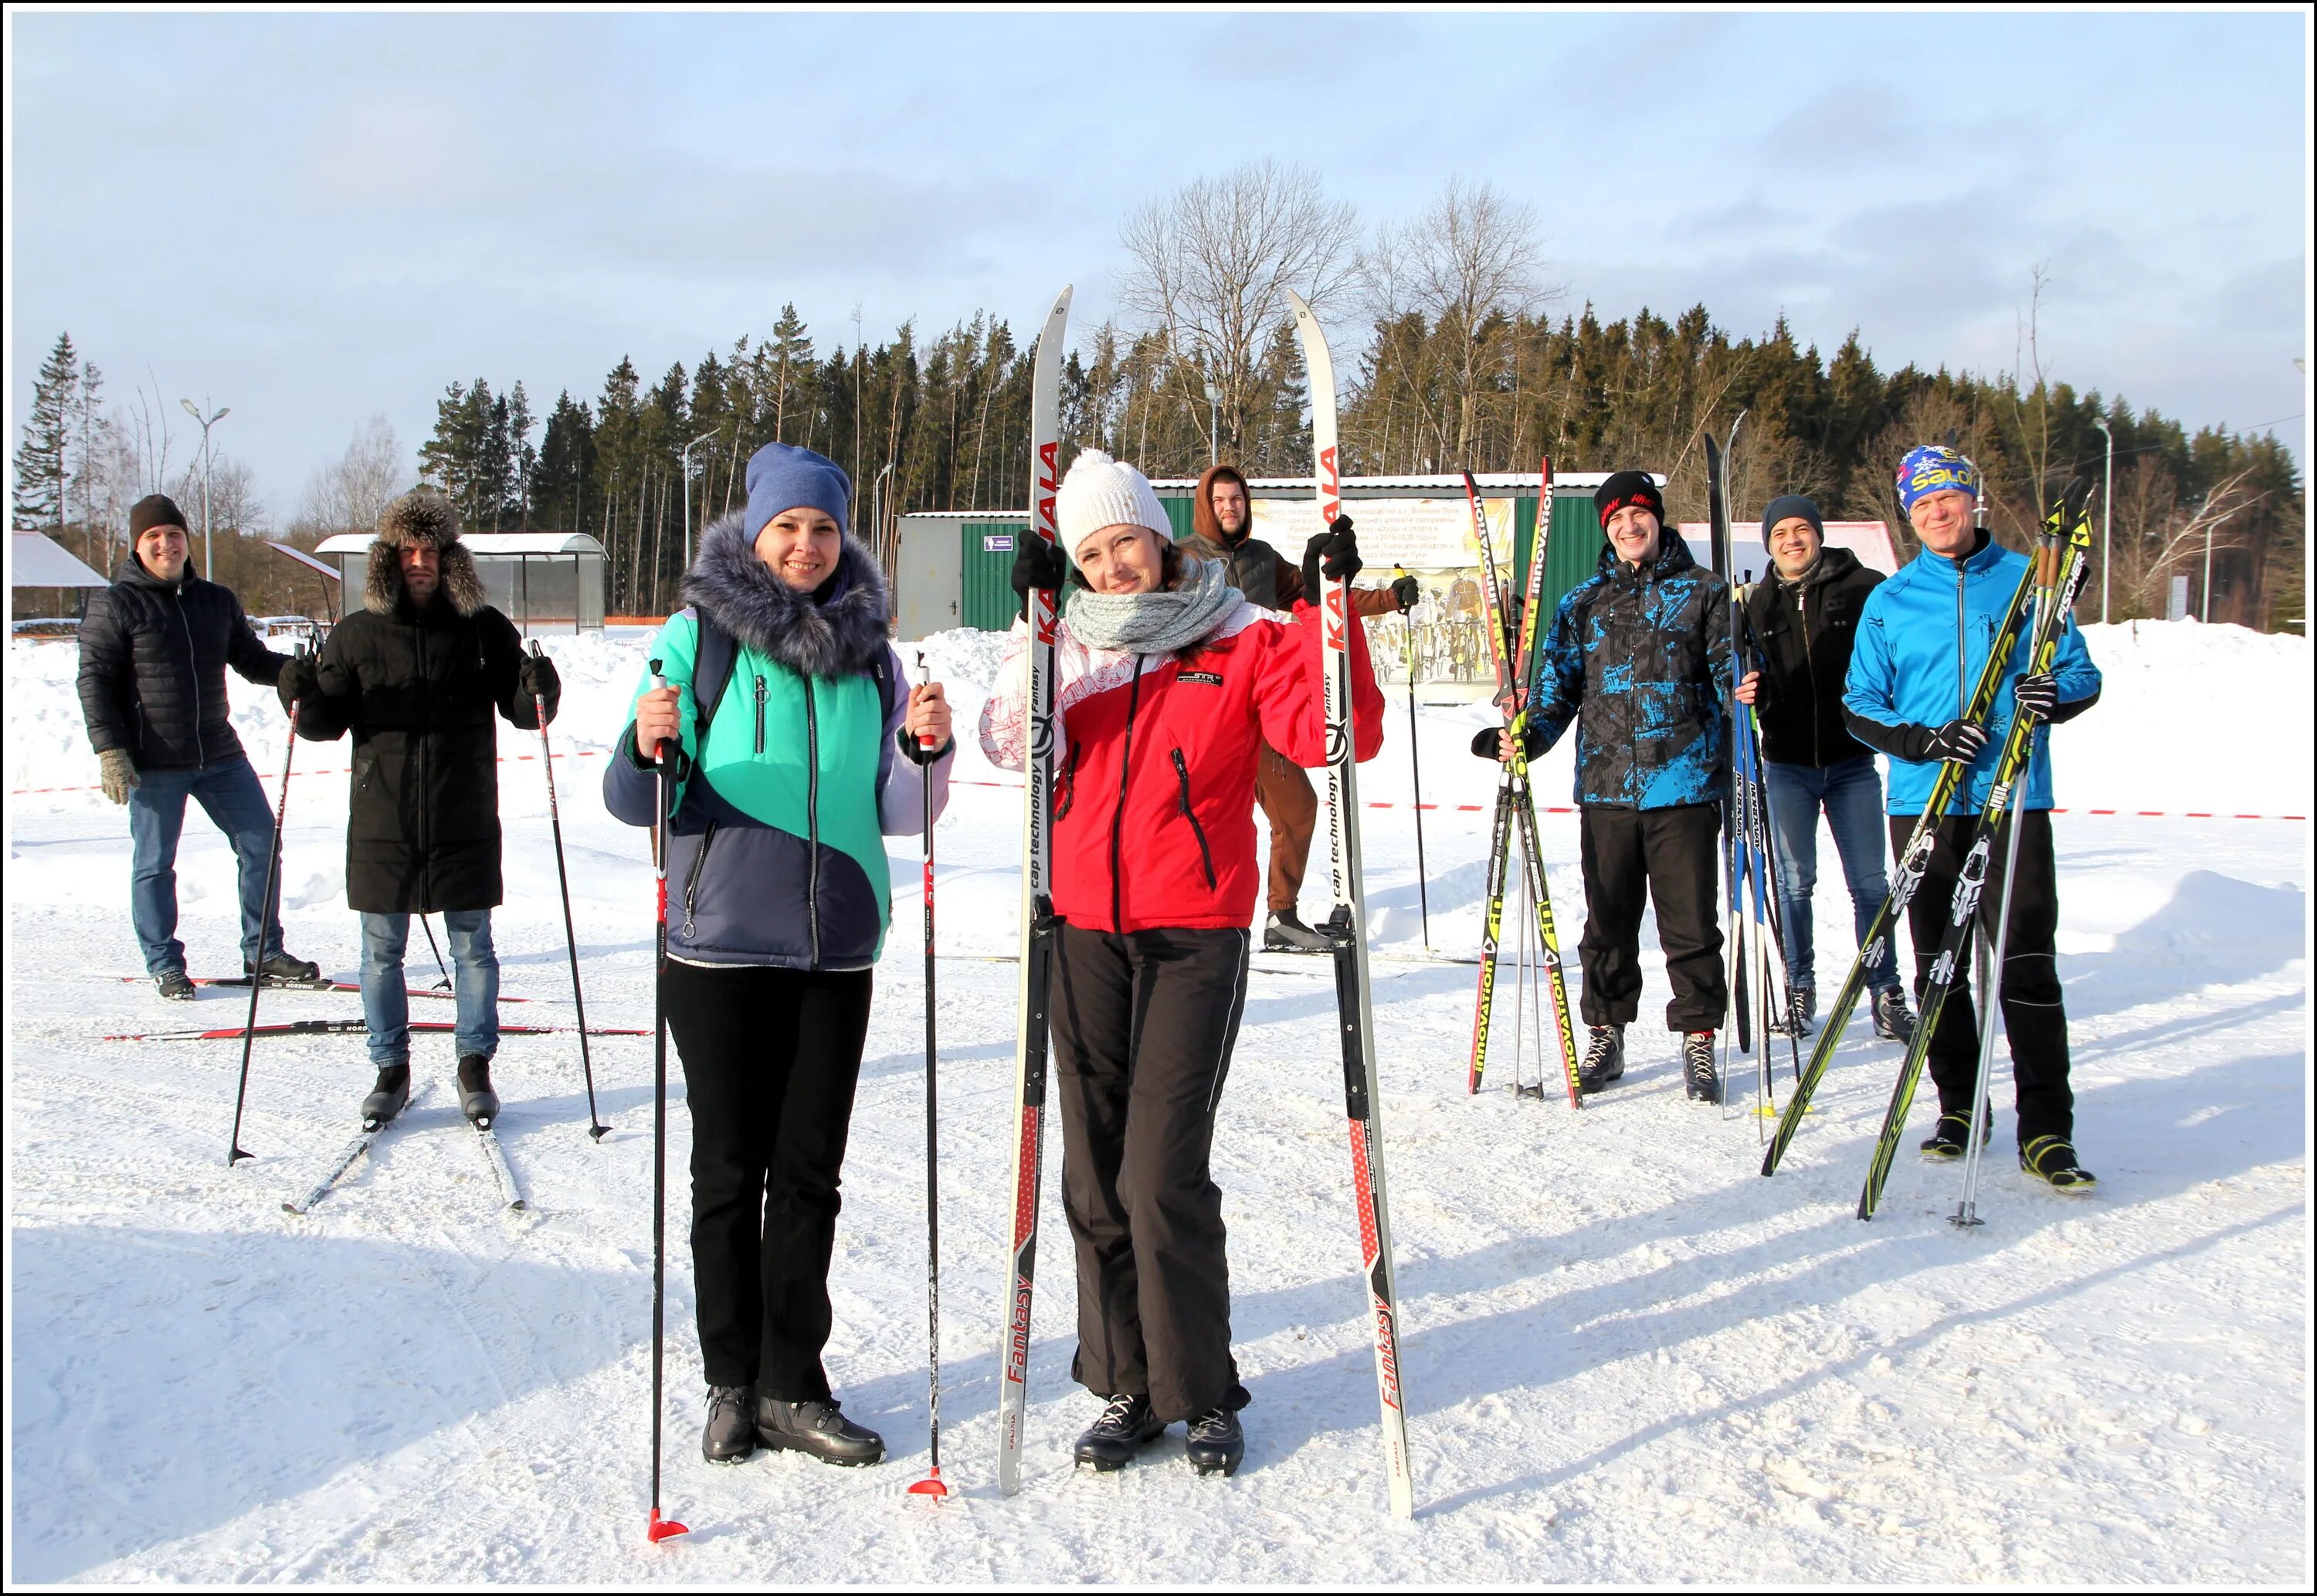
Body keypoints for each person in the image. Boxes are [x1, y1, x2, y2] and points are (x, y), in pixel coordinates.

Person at [982, 449, 1383, 1478]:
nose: (1114, 566)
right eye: (1093, 554)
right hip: (1083, 929)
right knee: (1094, 1175)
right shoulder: (1072, 642)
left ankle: (1199, 1390)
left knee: (1160, 1172)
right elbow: (1009, 740)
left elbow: (1333, 732)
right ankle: (1126, 1381)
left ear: (1161, 538)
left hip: (1194, 931)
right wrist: (1032, 627)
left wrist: (1329, 611)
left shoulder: (1238, 634)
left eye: (1127, 542)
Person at [605, 442, 953, 1469]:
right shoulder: (699, 636)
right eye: (788, 526)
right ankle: (731, 1380)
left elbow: (899, 810)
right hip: (716, 948)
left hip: (835, 947)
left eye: (824, 527)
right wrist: (645, 739)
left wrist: (926, 752)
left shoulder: (872, 656)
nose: (807, 544)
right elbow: (634, 799)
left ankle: (792, 1384)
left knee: (809, 1177)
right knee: (727, 1171)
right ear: (756, 533)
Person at [1842, 446, 2102, 1190]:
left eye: (1947, 498)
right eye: (1922, 504)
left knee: (2025, 963)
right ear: (1909, 515)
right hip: (1924, 801)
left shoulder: (2029, 581)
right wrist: (1922, 740)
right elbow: (1860, 702)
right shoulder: (1892, 599)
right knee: (1940, 966)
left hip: (2012, 795)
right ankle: (1959, 1106)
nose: (1937, 513)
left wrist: (2057, 694)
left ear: (1971, 500)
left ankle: (2046, 1129)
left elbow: (2082, 672)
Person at [276, 489, 558, 1129]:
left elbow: (525, 712)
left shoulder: (483, 628)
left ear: (448, 558)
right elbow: (322, 723)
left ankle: (474, 1065)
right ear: (389, 558)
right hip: (385, 820)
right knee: (381, 952)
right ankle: (390, 1069)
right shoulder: (357, 634)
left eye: (431, 551)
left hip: (464, 815)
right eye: (408, 551)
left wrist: (541, 686)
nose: (420, 562)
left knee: (474, 949)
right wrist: (299, 693)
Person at [1474, 470, 1731, 1101]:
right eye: (1616, 519)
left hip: (1685, 785)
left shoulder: (1705, 592)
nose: (1628, 526)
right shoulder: (1582, 603)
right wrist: (1522, 739)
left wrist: (1748, 689)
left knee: (1690, 925)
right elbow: (1557, 693)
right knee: (1608, 924)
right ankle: (1606, 1035)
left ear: (1657, 518)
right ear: (1606, 529)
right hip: (1607, 788)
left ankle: (1698, 1037)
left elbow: (1730, 674)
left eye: (1638, 514)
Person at [76, 493, 320, 998]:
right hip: (153, 760)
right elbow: (94, 680)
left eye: (174, 534)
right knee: (155, 863)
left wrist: (294, 671)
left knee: (261, 841)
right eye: (154, 536)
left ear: (187, 541)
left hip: (219, 753)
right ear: (137, 546)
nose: (166, 544)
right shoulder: (116, 604)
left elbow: (250, 659)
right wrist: (110, 749)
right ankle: (164, 962)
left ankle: (263, 951)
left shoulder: (216, 601)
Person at [1179, 463, 1416, 951]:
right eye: (1219, 500)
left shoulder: (1263, 559)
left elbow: (1324, 593)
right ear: (1206, 505)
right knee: (1196, 817)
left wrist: (1389, 599)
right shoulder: (1181, 559)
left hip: (1260, 710)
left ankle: (1281, 915)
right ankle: (1182, 917)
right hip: (1201, 712)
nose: (1229, 507)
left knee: (1297, 809)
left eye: (1236, 499)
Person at [1732, 495, 1918, 1042]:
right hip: (1787, 764)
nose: (1792, 540)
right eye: (1780, 533)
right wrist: (1749, 692)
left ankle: (1885, 990)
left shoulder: (1865, 587)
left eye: (1801, 529)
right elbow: (1743, 674)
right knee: (1793, 884)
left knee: (1870, 884)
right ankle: (1800, 988)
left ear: (1818, 533)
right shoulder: (1755, 604)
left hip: (1852, 761)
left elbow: (1896, 656)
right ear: (1768, 544)